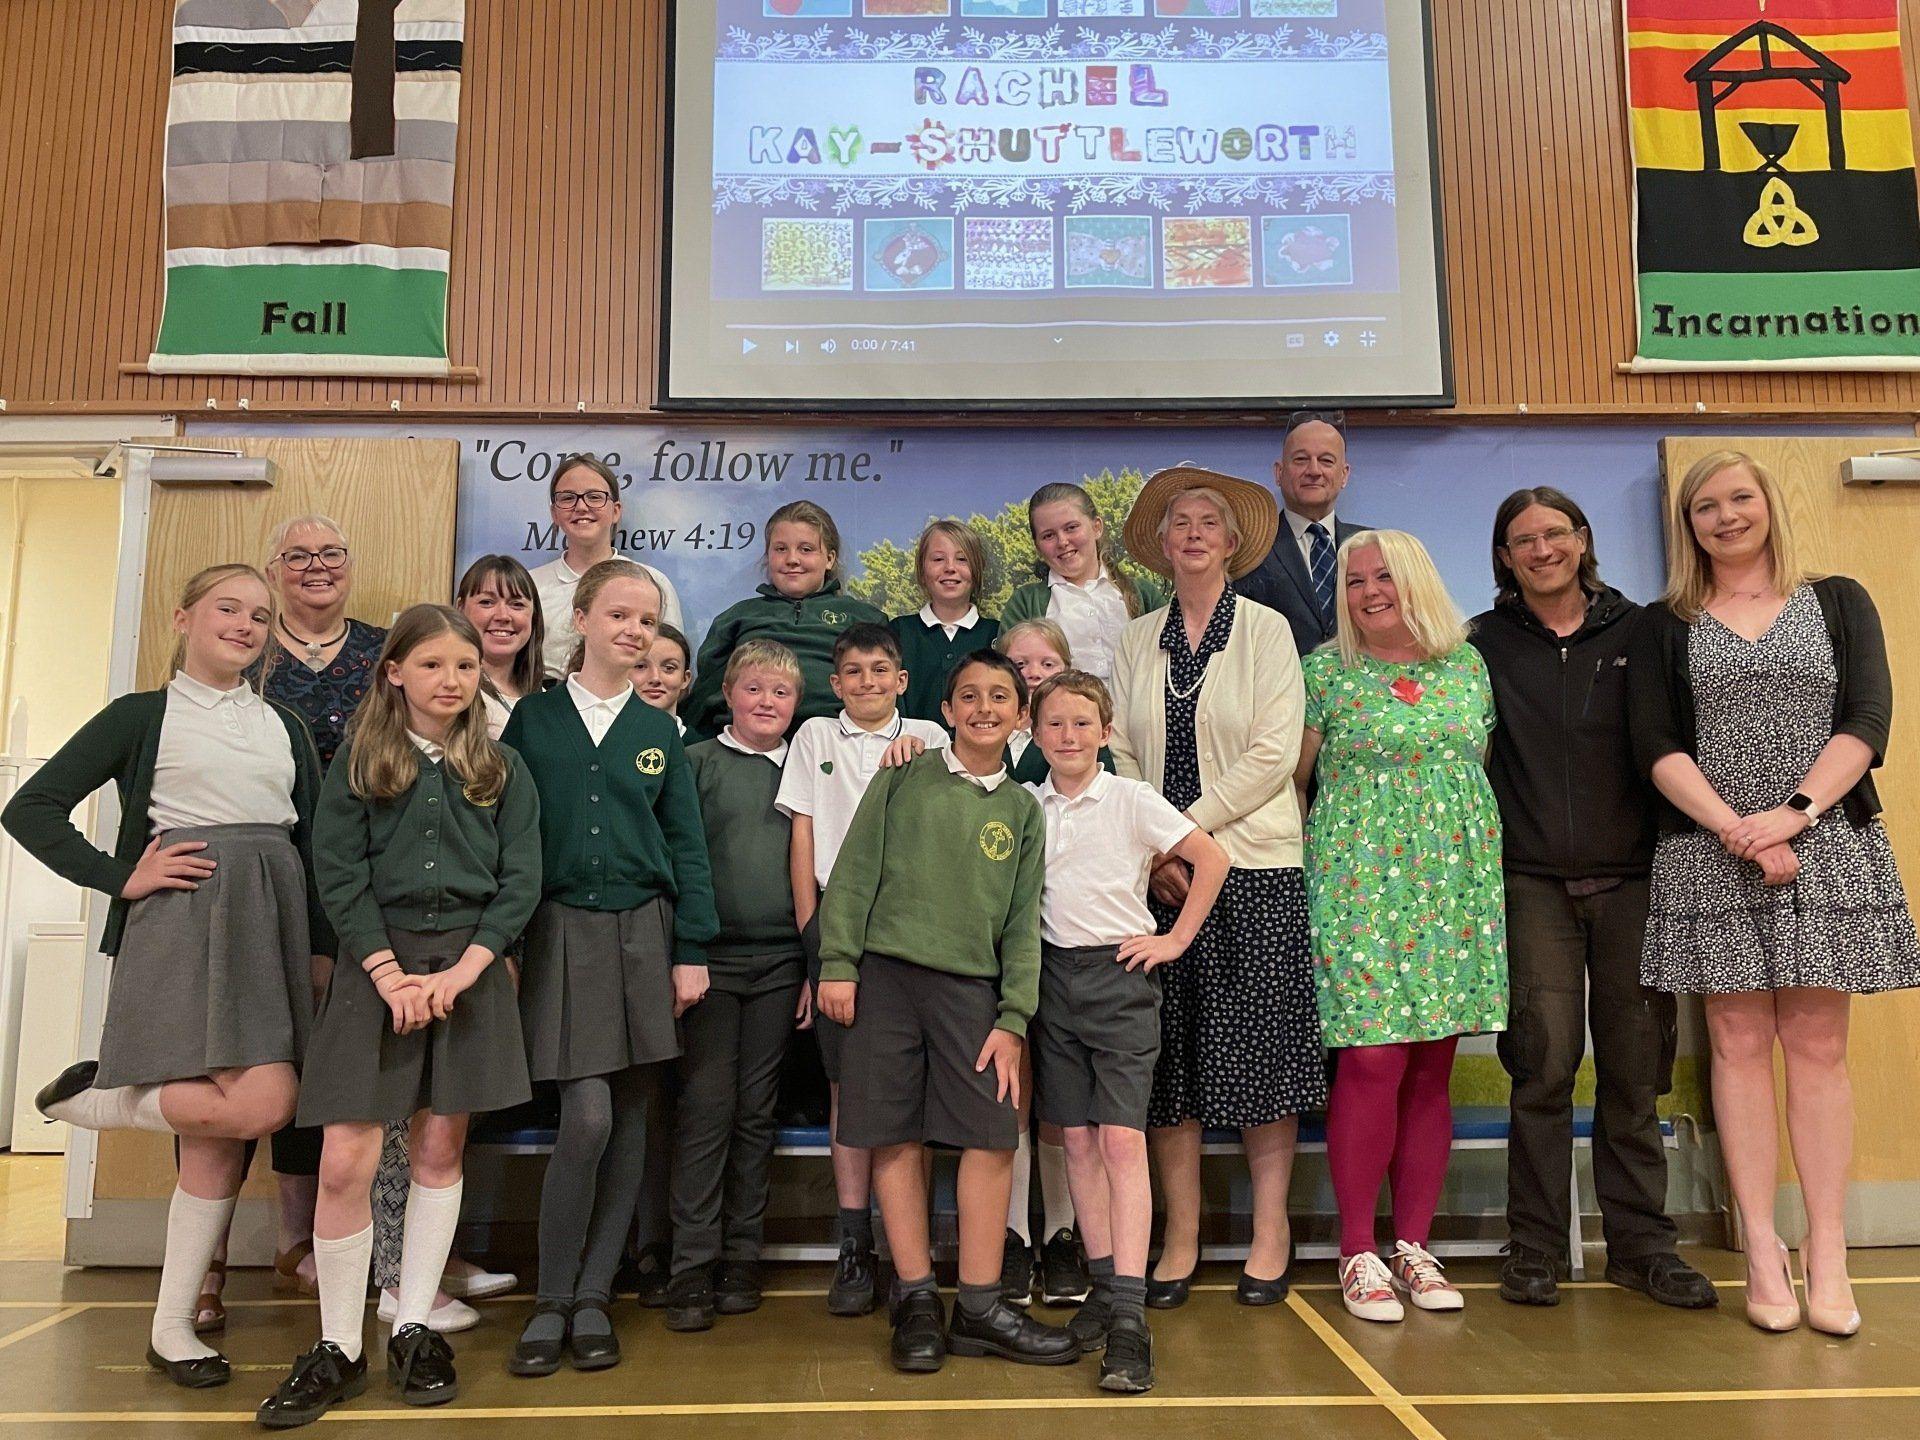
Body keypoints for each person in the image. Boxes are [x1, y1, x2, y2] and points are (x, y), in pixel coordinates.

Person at [5, 565, 329, 1389]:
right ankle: (106, 1101)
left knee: (223, 1138)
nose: (247, 625)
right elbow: (31, 807)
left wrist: (322, 948)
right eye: (229, 608)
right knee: (260, 1104)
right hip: (187, 921)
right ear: (184, 617)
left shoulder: (283, 723)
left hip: (274, 922)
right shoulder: (141, 717)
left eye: (260, 615)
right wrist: (123, 877)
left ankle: (171, 1327)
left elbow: (316, 842)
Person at [1631, 450, 1920, 1338]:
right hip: (1712, 847)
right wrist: (1735, 827)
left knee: (1818, 1044)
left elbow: (1867, 719)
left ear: (1768, 505)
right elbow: (1656, 743)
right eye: (1706, 506)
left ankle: (1826, 1251)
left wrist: (1792, 813)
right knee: (1737, 1042)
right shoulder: (1664, 624)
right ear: (1689, 525)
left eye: (1740, 499)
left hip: (1825, 838)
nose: (1726, 517)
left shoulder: (1838, 599)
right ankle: (1762, 1248)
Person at [257, 607, 541, 1428]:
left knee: (439, 1146)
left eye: (463, 667)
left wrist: (465, 970)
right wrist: (387, 973)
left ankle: (415, 1325)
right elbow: (336, 874)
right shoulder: (359, 760)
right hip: (372, 970)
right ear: (395, 674)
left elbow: (520, 880)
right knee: (346, 1157)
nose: (449, 681)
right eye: (432, 666)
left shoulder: (504, 768)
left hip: (469, 971)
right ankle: (338, 1346)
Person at [1471, 489, 1716, 1311]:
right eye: (1522, 540)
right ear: (1504, 556)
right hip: (1529, 881)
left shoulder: (1646, 631)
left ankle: (1643, 1247)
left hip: (1638, 878)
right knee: (1540, 1068)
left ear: (1582, 539)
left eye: (1554, 534)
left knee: (1633, 1071)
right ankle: (1535, 1246)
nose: (1541, 549)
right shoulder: (1480, 644)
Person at [815, 652, 1077, 1373]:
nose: (985, 707)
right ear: (949, 709)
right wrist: (839, 963)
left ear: (1021, 716)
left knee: (992, 1138)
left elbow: (1024, 924)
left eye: (1001, 697)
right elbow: (854, 871)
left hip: (974, 994)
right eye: (970, 696)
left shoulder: (1023, 810)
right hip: (886, 981)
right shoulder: (904, 774)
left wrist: (1014, 1017)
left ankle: (983, 1306)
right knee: (895, 1135)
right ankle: (918, 1297)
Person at [1110, 466, 1325, 1311]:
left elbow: (1275, 755)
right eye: (1178, 524)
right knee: (1169, 1064)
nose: (1193, 533)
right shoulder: (1134, 638)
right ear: (1161, 548)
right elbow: (1118, 750)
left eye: (1208, 522)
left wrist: (1186, 832)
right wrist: (1157, 845)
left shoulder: (1269, 631)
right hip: (1154, 876)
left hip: (1258, 867)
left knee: (1261, 1058)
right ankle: (1181, 1238)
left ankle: (1271, 1233)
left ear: (1233, 543)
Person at [502, 560, 718, 1375]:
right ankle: (551, 1298)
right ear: (582, 619)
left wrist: (690, 949)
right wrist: (507, 944)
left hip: (645, 936)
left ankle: (594, 1297)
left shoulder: (663, 732)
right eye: (619, 615)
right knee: (585, 1118)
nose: (634, 631)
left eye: (647, 620)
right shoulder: (533, 720)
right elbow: (512, 839)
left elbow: (686, 849)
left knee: (630, 1122)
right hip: (559, 933)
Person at [1297, 531, 1506, 1323]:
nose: (1369, 592)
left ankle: (1413, 1246)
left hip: (1451, 885)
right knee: (1373, 1058)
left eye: (1384, 577)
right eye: (1355, 581)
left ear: (1416, 579)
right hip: (1356, 883)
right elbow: (1299, 781)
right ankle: (1357, 1250)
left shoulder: (1467, 667)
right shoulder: (1325, 674)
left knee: (1431, 1064)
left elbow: (1472, 766)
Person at [1025, 670, 1229, 1394]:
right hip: (1053, 981)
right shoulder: (1029, 806)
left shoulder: (1132, 799)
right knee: (1074, 1141)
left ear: (1105, 732)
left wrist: (1174, 940)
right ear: (1034, 731)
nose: (1069, 736)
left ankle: (1131, 1320)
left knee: (1119, 1139)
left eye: (1083, 723)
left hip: (1119, 982)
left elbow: (1211, 858)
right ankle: (1106, 1293)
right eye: (1054, 724)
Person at [776, 623, 949, 1317]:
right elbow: (803, 839)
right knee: (849, 1088)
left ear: (902, 680)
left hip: (913, 928)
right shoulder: (816, 736)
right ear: (836, 682)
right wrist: (812, 937)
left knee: (914, 1087)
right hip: (836, 929)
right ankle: (856, 1244)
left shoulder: (932, 738)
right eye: (854, 672)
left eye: (881, 670)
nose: (868, 682)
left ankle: (916, 1248)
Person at [254, 515, 385, 1305]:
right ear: (274, 571)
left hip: (362, 867)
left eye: (331, 553)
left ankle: (347, 1235)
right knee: (272, 1045)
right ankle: (287, 1237)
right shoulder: (249, 652)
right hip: (270, 866)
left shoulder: (380, 651)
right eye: (298, 556)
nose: (316, 567)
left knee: (336, 1048)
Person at [668, 642, 807, 1331]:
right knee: (706, 1108)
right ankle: (691, 1264)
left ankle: (741, 1255)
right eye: (754, 689)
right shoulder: (696, 764)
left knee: (757, 1112)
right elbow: (681, 865)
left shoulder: (806, 770)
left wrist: (814, 963)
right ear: (728, 692)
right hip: (711, 967)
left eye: (781, 694)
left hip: (782, 965)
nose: (766, 703)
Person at [686, 500, 885, 737]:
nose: (792, 559)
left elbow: (888, 696)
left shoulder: (866, 619)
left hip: (839, 743)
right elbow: (705, 700)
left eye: (806, 549)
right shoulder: (736, 618)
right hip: (751, 745)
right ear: (768, 556)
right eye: (781, 549)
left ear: (830, 559)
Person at [530, 454, 684, 682]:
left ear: (616, 511)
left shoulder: (652, 582)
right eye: (568, 498)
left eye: (594, 497)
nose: (581, 507)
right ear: (554, 513)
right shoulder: (531, 586)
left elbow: (670, 658)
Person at [1236, 412, 1371, 658]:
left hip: (1364, 691)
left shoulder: (1373, 547)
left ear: (1344, 474)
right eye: (1300, 460)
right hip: (1274, 692)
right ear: (1279, 473)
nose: (1314, 470)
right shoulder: (1247, 550)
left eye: (1327, 461)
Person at [1000, 482, 1165, 683]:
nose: (1062, 542)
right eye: (1048, 535)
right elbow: (1008, 677)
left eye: (1071, 528)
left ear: (1097, 527)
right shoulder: (1026, 602)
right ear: (1038, 546)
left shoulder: (1143, 593)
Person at [889, 519, 1000, 724]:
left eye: (962, 559)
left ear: (977, 570)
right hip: (913, 752)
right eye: (938, 559)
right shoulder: (898, 632)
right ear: (922, 571)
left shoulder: (997, 634)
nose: (950, 568)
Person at [456, 554, 545, 741]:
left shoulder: (545, 698)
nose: (503, 616)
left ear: (534, 615)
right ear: (460, 608)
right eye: (487, 602)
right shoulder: (450, 690)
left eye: (517, 604)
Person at [633, 623, 695, 733]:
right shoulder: (605, 742)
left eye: (669, 668)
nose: (655, 678)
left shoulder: (699, 748)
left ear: (685, 679)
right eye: (641, 666)